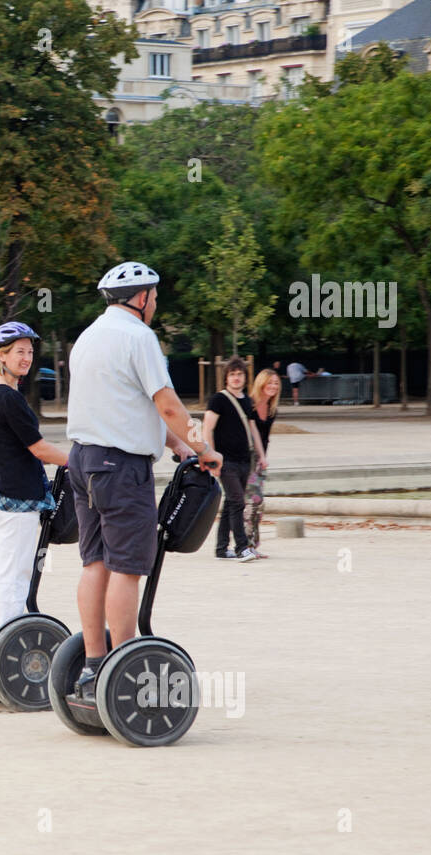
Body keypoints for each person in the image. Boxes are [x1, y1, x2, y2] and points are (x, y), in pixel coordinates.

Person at [66, 262, 221, 700]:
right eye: (154, 295)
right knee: (128, 568)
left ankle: (94, 666)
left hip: (83, 461)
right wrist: (205, 448)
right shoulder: (140, 337)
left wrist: (178, 446)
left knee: (95, 562)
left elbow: (125, 406)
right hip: (121, 470)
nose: (156, 302)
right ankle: (125, 665)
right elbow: (167, 404)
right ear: (141, 297)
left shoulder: (88, 337)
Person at [0, 322, 68, 675]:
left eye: (29, 351)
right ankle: (6, 659)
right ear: (1, 356)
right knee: (13, 578)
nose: (26, 357)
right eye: (18, 351)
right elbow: (38, 448)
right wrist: (79, 461)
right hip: (16, 501)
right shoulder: (8, 397)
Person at [204, 356, 267, 562]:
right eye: (232, 374)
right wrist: (210, 457)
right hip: (225, 460)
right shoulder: (218, 400)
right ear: (226, 378)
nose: (236, 378)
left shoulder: (247, 401)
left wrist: (261, 455)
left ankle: (221, 548)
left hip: (243, 460)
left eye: (239, 374)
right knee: (237, 501)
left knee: (232, 502)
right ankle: (242, 548)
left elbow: (253, 429)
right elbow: (208, 428)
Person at [244, 367, 280, 558]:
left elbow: (265, 437)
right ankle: (245, 545)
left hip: (260, 459)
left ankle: (252, 545)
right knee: (253, 501)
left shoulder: (272, 410)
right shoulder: (249, 405)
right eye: (270, 383)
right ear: (261, 383)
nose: (273, 386)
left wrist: (263, 459)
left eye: (276, 383)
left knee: (258, 504)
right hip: (246, 458)